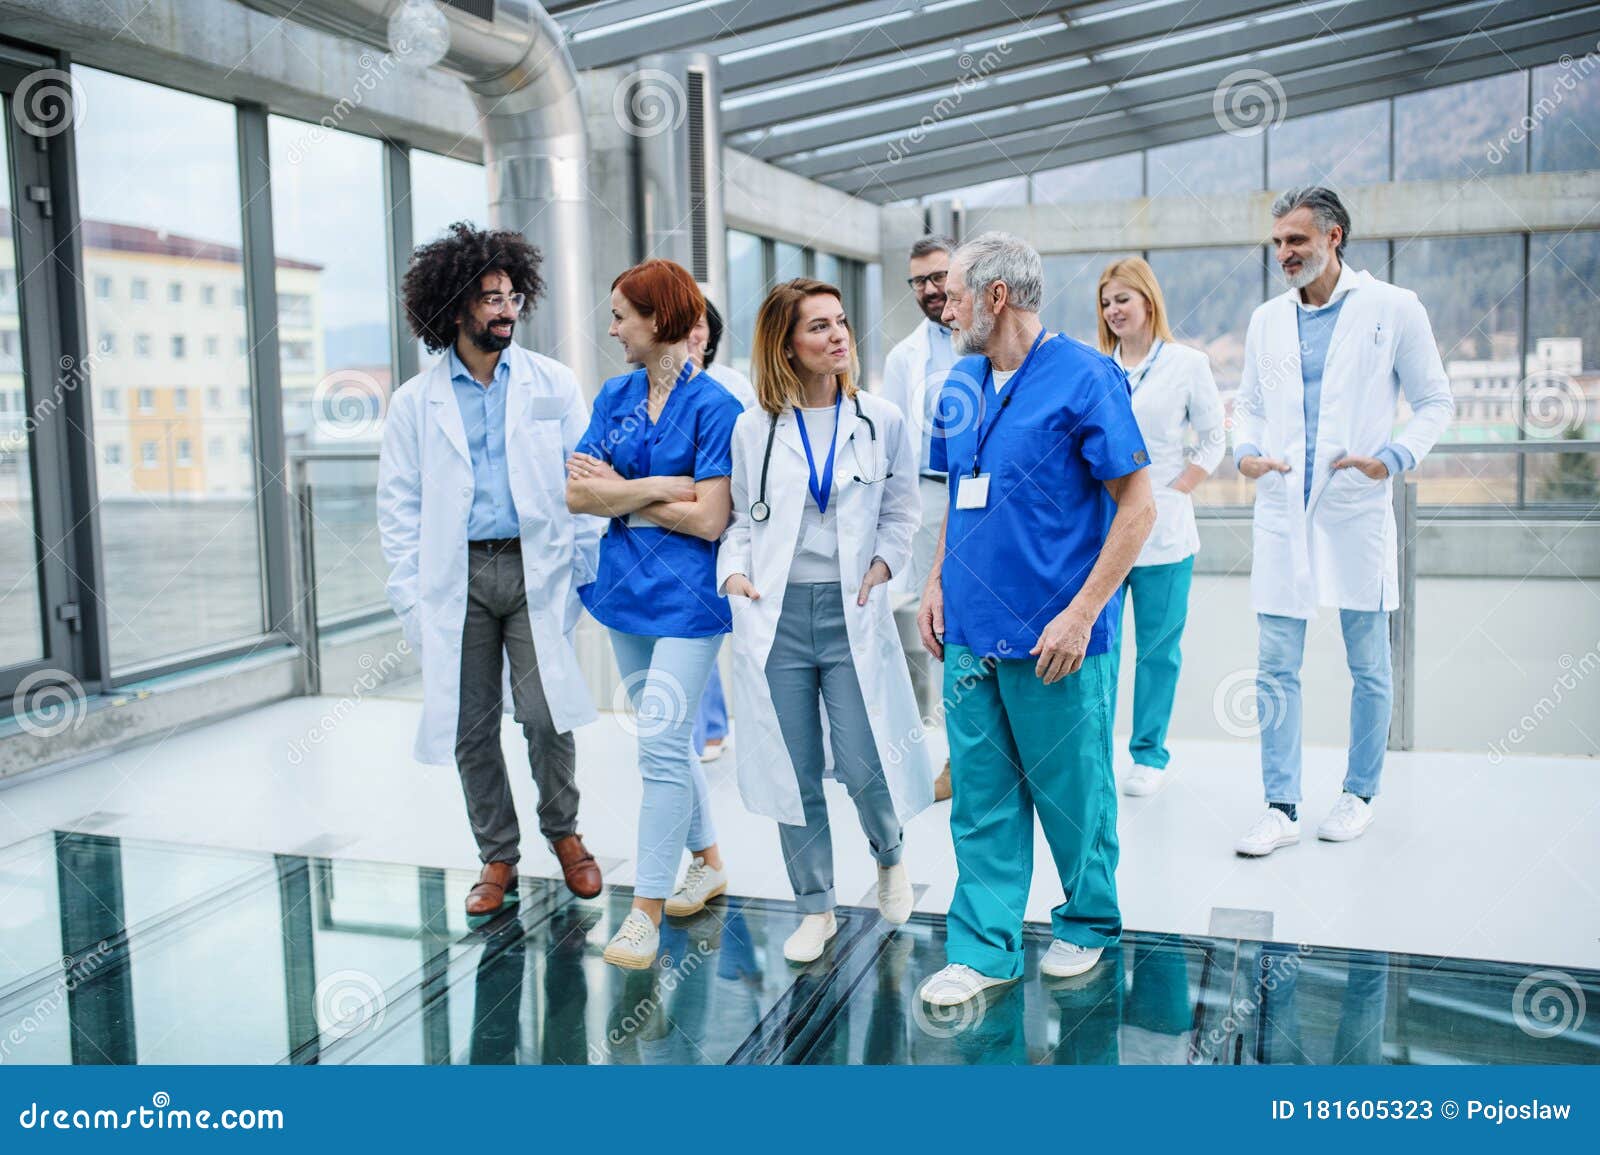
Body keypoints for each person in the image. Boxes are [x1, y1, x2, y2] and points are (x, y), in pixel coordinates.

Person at [914, 232, 1156, 1009]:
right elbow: (960, 491)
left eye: (952, 293)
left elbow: (1138, 508)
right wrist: (935, 581)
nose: (941, 306)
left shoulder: (1086, 378)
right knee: (981, 799)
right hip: (971, 634)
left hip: (1059, 637)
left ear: (995, 297)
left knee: (1073, 795)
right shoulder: (958, 380)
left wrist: (1084, 612)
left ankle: (1087, 923)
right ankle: (983, 947)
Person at [377, 222, 604, 917]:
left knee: (544, 712)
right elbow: (399, 507)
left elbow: (586, 481)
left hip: (537, 567)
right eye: (489, 298)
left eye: (510, 296)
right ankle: (497, 853)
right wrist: (413, 599)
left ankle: (564, 833)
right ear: (453, 309)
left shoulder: (552, 383)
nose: (505, 309)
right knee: (469, 724)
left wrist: (582, 566)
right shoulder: (415, 403)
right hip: (458, 578)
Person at [1232, 187, 1453, 856]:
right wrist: (1244, 451)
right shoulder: (1267, 320)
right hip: (1280, 506)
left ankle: (1359, 792)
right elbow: (1246, 404)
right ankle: (1281, 805)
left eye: (1295, 240)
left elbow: (1436, 401)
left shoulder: (1392, 308)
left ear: (1334, 238)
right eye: (1276, 243)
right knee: (1275, 666)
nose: (1284, 253)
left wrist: (1392, 458)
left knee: (1368, 660)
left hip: (1355, 506)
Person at [717, 277, 933, 964]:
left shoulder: (882, 418)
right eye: (818, 327)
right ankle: (815, 906)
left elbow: (903, 510)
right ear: (786, 344)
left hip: (853, 614)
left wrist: (883, 565)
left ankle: (891, 858)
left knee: (867, 760)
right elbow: (741, 521)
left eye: (840, 322)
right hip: (775, 616)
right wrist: (732, 572)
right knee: (794, 768)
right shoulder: (755, 427)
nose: (838, 335)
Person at [565, 258, 743, 968]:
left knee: (659, 748)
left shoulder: (717, 406)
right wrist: (665, 485)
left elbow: (709, 521)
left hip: (689, 599)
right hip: (623, 592)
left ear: (660, 318)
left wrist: (626, 487)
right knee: (666, 742)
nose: (612, 330)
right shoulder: (614, 394)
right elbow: (578, 495)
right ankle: (711, 861)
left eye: (620, 316)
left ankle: (643, 910)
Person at [1096, 257, 1225, 797]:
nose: (1113, 310)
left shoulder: (1186, 364)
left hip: (1165, 535)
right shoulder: (1095, 365)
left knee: (1157, 651)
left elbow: (1215, 439)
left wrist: (1176, 490)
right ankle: (1093, 748)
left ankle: (1148, 754)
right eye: (1105, 303)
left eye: (1122, 299)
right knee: (1099, 646)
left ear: (1148, 300)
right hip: (1102, 532)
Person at [880, 235, 959, 803]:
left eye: (939, 276)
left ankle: (979, 754)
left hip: (987, 493)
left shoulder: (982, 336)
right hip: (929, 494)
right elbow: (894, 441)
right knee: (930, 622)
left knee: (977, 617)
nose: (930, 290)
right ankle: (945, 757)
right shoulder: (905, 356)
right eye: (920, 281)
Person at [686, 301, 756, 764]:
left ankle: (733, 726)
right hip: (685, 528)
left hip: (732, 525)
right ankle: (708, 725)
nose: (692, 337)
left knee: (735, 628)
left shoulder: (733, 387)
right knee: (693, 626)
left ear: (711, 335)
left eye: (699, 328)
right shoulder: (651, 391)